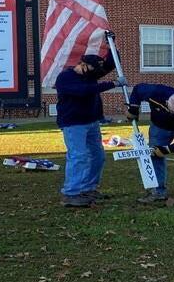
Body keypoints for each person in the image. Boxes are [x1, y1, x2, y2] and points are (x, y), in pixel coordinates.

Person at [54, 42, 125, 208]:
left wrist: (112, 46)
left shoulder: (90, 74)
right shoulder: (66, 78)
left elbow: (111, 63)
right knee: (78, 156)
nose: (96, 74)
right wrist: (113, 84)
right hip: (73, 123)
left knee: (98, 156)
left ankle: (88, 188)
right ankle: (71, 193)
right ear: (83, 65)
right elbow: (83, 91)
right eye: (93, 70)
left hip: (91, 121)